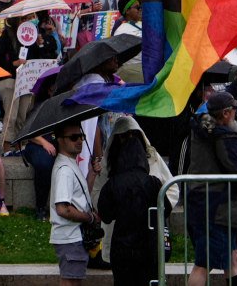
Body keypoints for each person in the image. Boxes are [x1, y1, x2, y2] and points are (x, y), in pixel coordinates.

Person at [182, 88, 237, 286]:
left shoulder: (205, 125)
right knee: (203, 264)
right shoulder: (223, 136)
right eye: (234, 111)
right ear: (225, 113)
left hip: (208, 203)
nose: (236, 115)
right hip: (215, 208)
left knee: (233, 257)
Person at [96, 120, 165, 286]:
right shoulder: (153, 182)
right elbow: (165, 207)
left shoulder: (113, 183)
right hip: (148, 245)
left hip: (122, 247)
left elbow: (105, 214)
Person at [49, 119, 100, 285]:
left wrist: (92, 173)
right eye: (73, 137)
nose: (79, 141)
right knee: (71, 282)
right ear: (60, 140)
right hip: (70, 237)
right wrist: (89, 218)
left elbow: (80, 196)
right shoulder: (65, 171)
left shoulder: (70, 164)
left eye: (82, 136)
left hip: (73, 237)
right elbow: (63, 209)